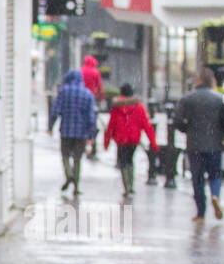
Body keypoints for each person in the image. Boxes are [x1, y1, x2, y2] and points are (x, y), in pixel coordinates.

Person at [173, 66, 224, 222]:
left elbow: (177, 120)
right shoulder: (220, 98)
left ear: (198, 80)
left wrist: (187, 129)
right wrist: (221, 131)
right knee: (215, 174)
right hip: (215, 144)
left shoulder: (188, 98)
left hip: (195, 145)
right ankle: (215, 195)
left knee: (197, 178)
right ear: (212, 81)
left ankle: (201, 212)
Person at [103, 83, 158, 200]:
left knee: (123, 161)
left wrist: (106, 142)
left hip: (121, 139)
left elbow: (111, 125)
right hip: (133, 139)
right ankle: (131, 185)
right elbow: (147, 125)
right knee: (130, 160)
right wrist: (153, 142)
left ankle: (126, 186)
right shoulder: (139, 106)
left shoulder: (116, 107)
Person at [49, 68, 97, 197]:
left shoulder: (63, 92)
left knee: (65, 155)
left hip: (66, 130)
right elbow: (91, 117)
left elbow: (55, 110)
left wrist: (50, 126)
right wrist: (91, 134)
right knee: (77, 158)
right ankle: (76, 186)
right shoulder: (87, 94)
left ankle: (69, 174)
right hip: (81, 132)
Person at [81, 55, 104, 158]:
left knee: (82, 122)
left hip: (81, 99)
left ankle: (81, 145)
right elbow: (99, 86)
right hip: (91, 99)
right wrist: (101, 97)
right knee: (92, 122)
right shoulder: (95, 72)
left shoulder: (81, 70)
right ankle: (92, 144)